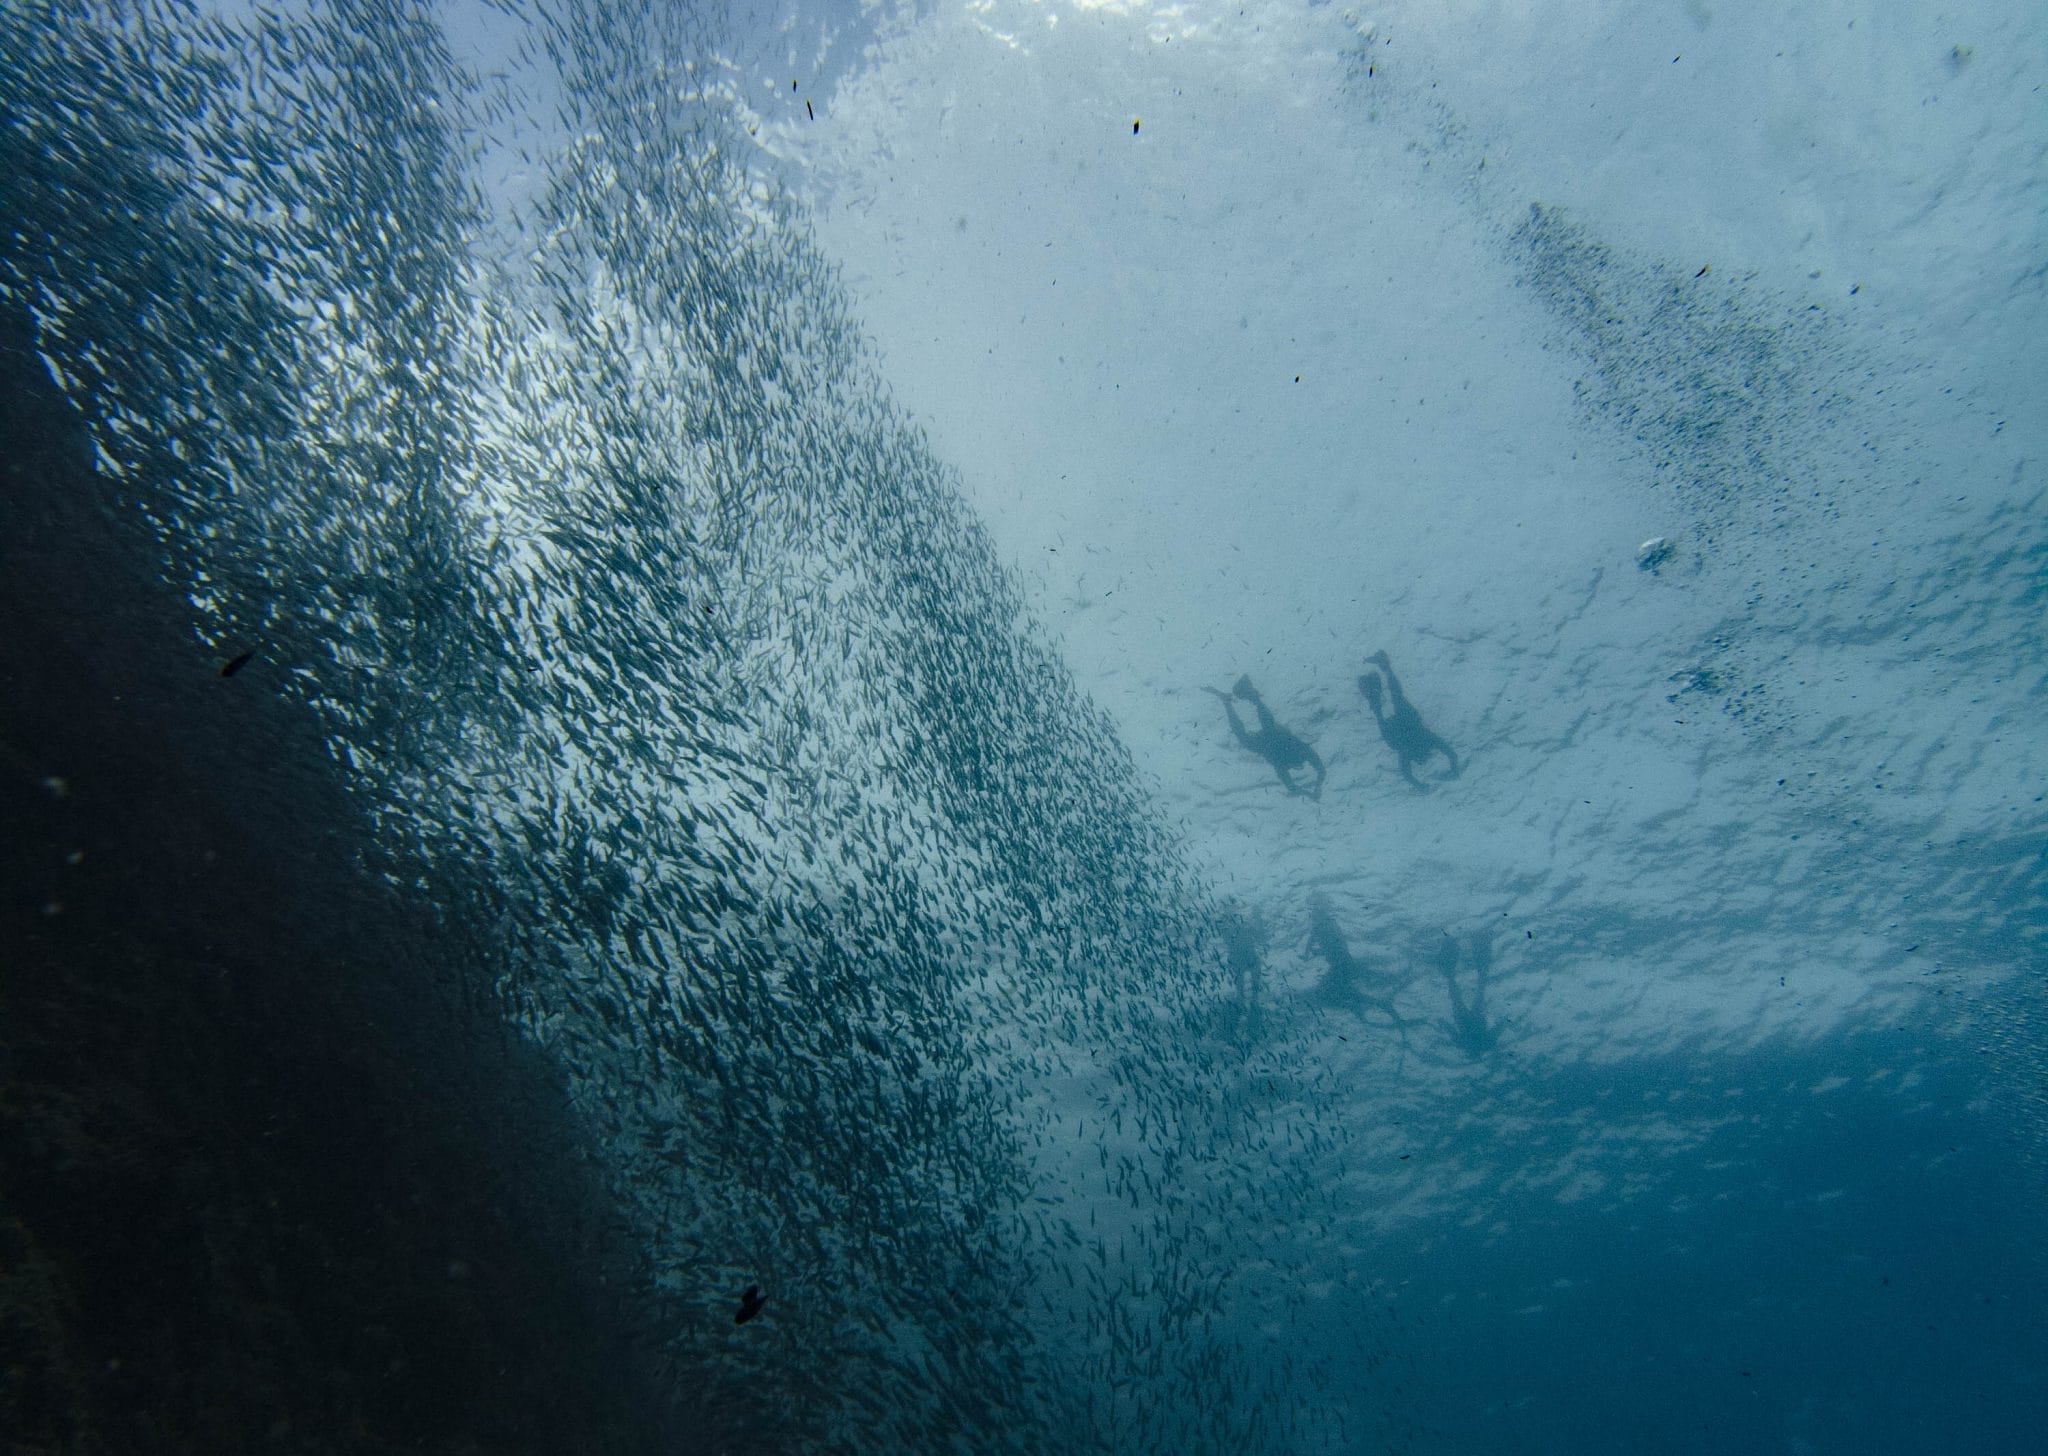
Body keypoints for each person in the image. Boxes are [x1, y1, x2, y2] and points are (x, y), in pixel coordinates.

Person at [1205, 674, 1325, 799]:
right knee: (1260, 730)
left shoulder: (1288, 763)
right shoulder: (1300, 754)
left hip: (1266, 743)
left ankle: (1233, 700)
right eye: (1298, 765)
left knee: (1249, 737)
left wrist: (1314, 789)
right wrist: (1315, 789)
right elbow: (1316, 774)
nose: (1298, 765)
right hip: (1274, 737)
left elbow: (1298, 784)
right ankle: (1243, 698)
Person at [1358, 650, 1458, 791]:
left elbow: (1451, 754)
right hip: (1402, 725)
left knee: (1396, 696)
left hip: (1405, 723)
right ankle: (1374, 690)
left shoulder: (1425, 744)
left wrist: (1453, 770)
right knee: (1385, 707)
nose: (1422, 761)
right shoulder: (1416, 748)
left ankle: (1383, 672)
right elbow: (1408, 775)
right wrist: (1420, 785)